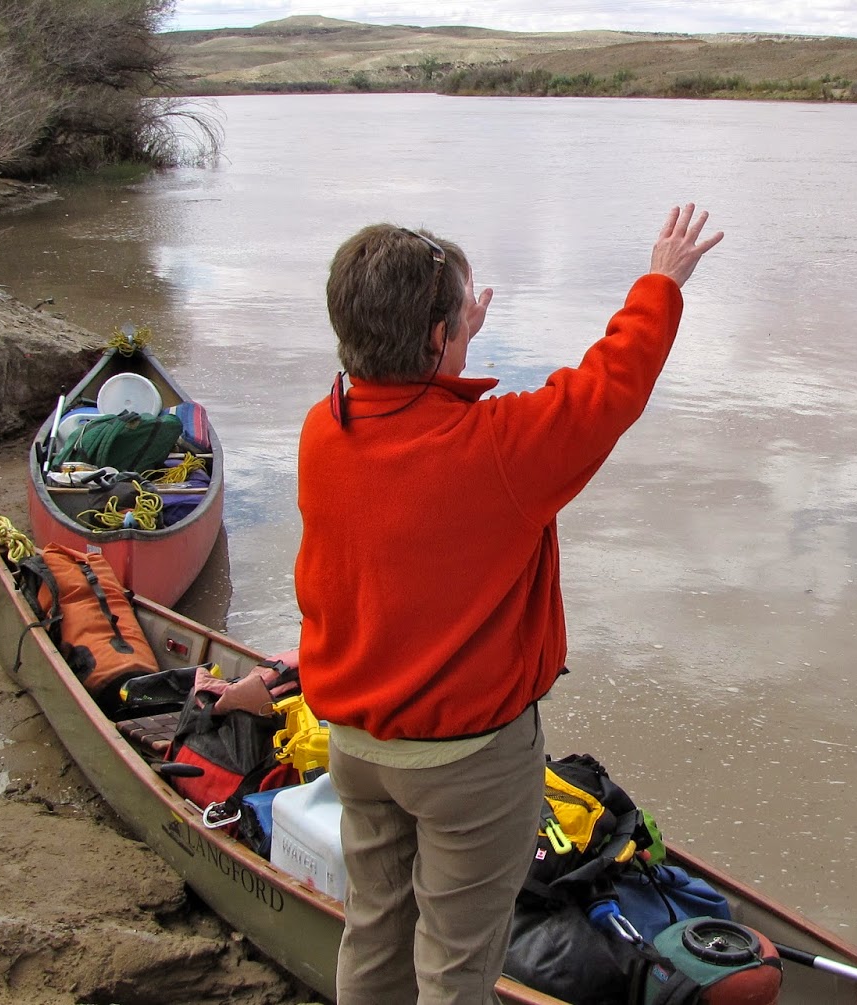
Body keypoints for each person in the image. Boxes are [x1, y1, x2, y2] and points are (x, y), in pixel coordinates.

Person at [295, 204, 723, 1004]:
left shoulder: (327, 428)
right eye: (460, 316)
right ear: (434, 339)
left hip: (356, 746)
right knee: (457, 970)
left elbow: (409, 412)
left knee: (376, 935)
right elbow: (609, 388)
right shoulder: (498, 450)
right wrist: (661, 283)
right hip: (469, 764)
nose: (468, 322)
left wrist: (447, 341)